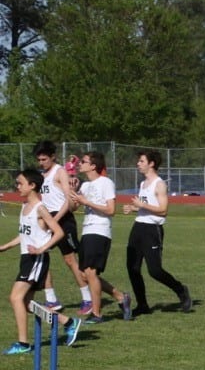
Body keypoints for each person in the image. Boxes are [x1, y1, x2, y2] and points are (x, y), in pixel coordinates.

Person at [2, 168, 83, 354]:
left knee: (15, 297)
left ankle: (23, 344)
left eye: (20, 183)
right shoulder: (24, 207)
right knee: (25, 303)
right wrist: (6, 246)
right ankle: (69, 322)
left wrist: (41, 249)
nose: (17, 186)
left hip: (35, 259)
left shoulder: (40, 208)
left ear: (32, 186)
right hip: (26, 258)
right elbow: (24, 235)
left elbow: (59, 232)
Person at [122, 149, 192, 314]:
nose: (138, 164)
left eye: (141, 161)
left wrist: (141, 205)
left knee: (155, 271)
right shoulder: (142, 184)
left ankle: (180, 289)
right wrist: (132, 208)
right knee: (132, 268)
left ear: (151, 164)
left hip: (152, 230)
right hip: (138, 227)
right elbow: (144, 207)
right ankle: (142, 305)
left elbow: (163, 210)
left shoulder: (159, 184)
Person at [70, 152, 132, 323]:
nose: (80, 164)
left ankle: (96, 314)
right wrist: (72, 191)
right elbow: (72, 208)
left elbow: (111, 210)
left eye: (84, 161)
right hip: (87, 231)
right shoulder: (85, 186)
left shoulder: (106, 182)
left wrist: (86, 202)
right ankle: (121, 296)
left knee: (90, 272)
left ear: (93, 166)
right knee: (85, 275)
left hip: (100, 231)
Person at [34, 141, 89, 314]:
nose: (41, 162)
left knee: (70, 260)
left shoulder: (60, 172)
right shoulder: (42, 175)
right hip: (48, 219)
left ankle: (87, 298)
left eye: (44, 159)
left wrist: (55, 220)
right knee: (40, 257)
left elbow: (68, 200)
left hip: (63, 219)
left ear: (53, 157)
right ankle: (51, 300)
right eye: (39, 160)